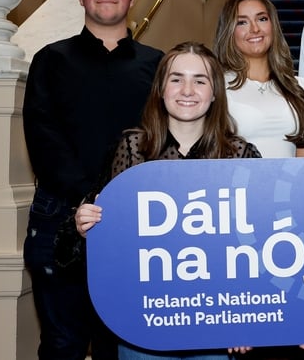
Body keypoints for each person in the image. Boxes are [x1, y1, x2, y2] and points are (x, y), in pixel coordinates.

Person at [75, 42, 261, 360]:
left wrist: (245, 318)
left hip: (218, 324)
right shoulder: (131, 148)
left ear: (215, 92)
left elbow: (258, 245)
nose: (187, 90)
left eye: (200, 80)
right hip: (145, 321)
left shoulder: (241, 156)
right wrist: (87, 225)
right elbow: (114, 242)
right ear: (161, 89)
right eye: (176, 79)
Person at [22, 0, 163, 360]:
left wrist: (121, 201)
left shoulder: (158, 65)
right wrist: (90, 195)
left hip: (135, 222)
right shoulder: (51, 59)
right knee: (62, 344)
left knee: (119, 346)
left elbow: (165, 141)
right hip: (59, 217)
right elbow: (43, 137)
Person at [214, 0, 304, 158]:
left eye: (262, 19)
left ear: (273, 25)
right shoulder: (216, 87)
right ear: (229, 31)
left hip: (291, 176)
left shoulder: (298, 88)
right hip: (237, 175)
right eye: (242, 22)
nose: (255, 29)